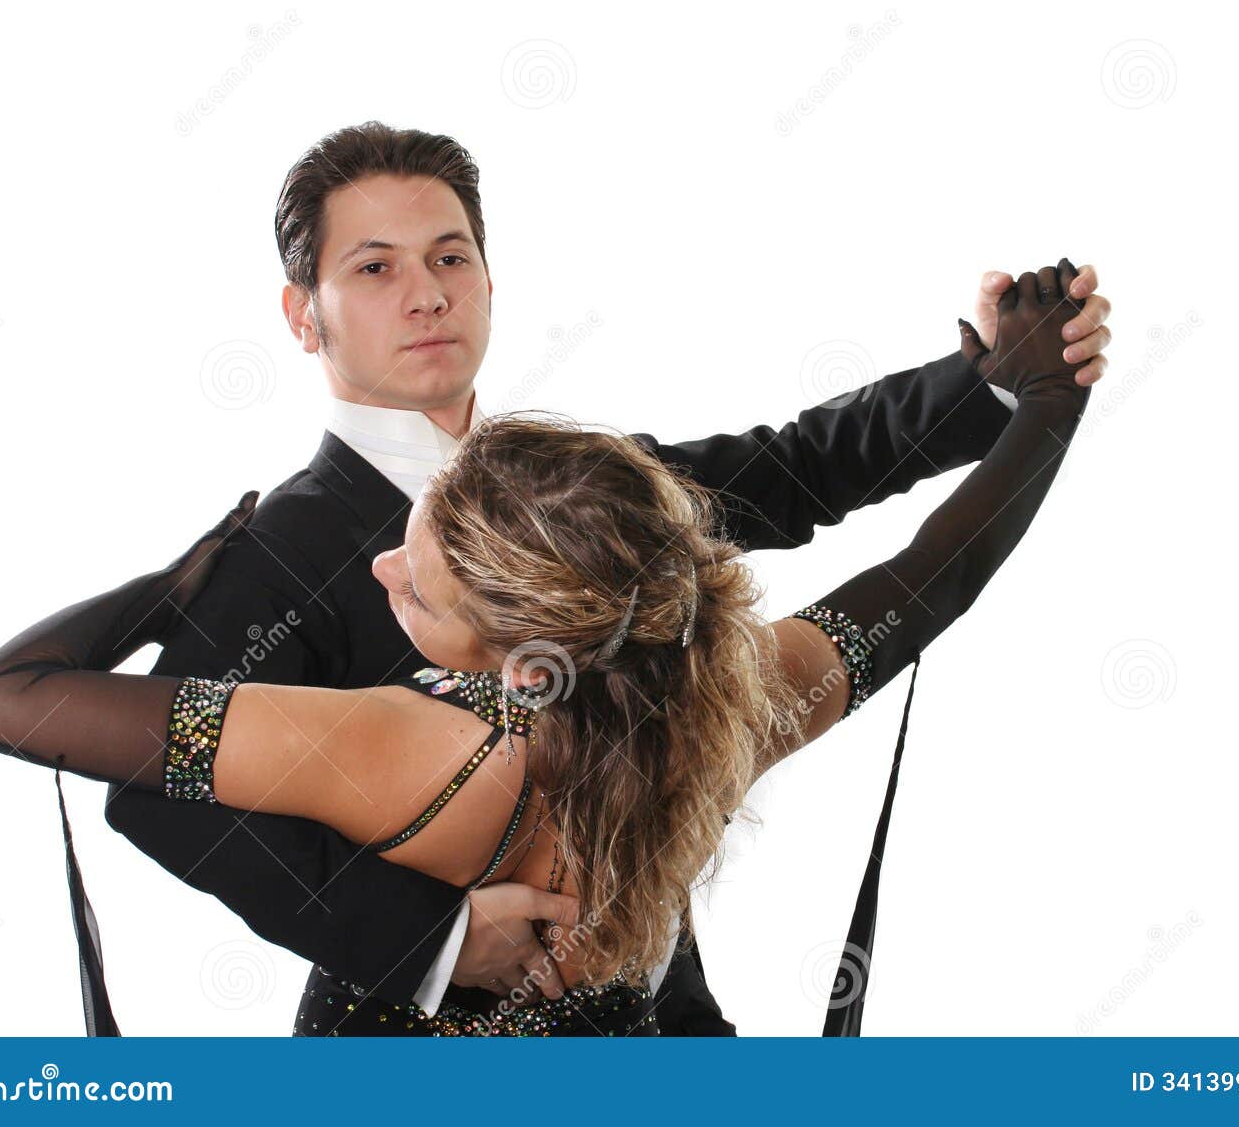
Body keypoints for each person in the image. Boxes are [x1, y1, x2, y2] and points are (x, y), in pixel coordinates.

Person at [78, 121, 1112, 1036]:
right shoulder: (279, 547)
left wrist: (988, 381)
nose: (428, 290)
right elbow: (156, 794)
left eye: (450, 255)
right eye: (376, 268)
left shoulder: (573, 487)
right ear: (305, 315)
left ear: (490, 277)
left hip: (660, 1013)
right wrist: (427, 938)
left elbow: (789, 471)